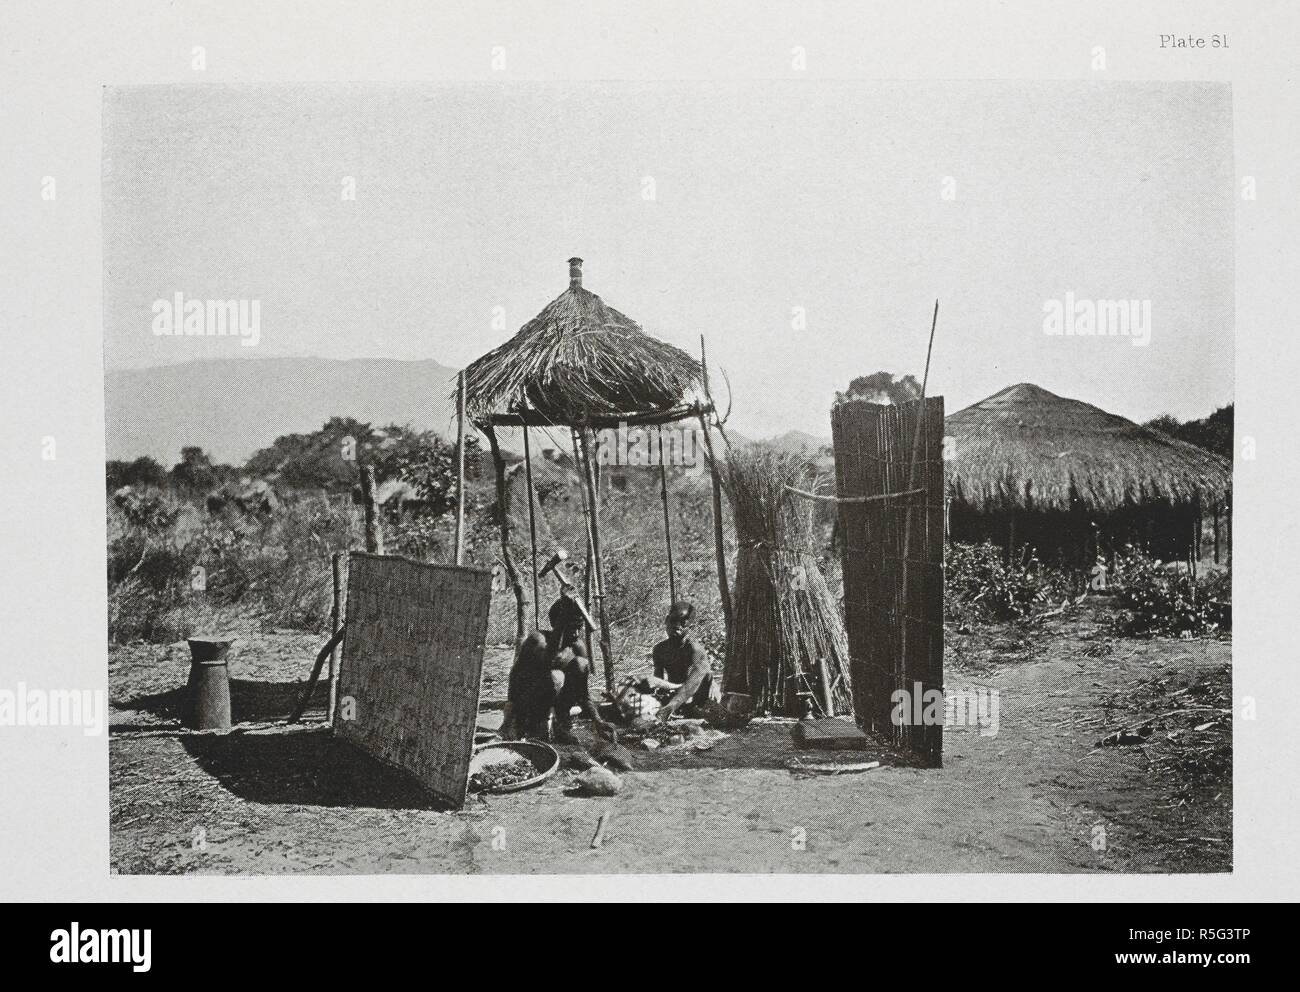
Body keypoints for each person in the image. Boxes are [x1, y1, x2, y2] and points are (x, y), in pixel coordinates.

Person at [500, 595, 612, 744]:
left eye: (579, 628)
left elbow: (583, 694)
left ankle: (561, 725)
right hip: (526, 703)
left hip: (552, 701)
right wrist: (509, 718)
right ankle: (532, 726)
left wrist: (598, 721)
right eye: (571, 628)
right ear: (557, 623)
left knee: (580, 664)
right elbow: (548, 660)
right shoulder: (537, 640)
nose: (576, 634)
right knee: (556, 676)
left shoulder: (577, 646)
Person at [640, 601, 719, 721]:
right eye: (673, 621)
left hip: (699, 695)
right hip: (676, 694)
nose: (676, 627)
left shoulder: (695, 650)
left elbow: (694, 681)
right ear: (666, 620)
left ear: (690, 627)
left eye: (682, 624)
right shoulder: (659, 649)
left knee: (706, 675)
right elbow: (659, 680)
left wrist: (671, 707)